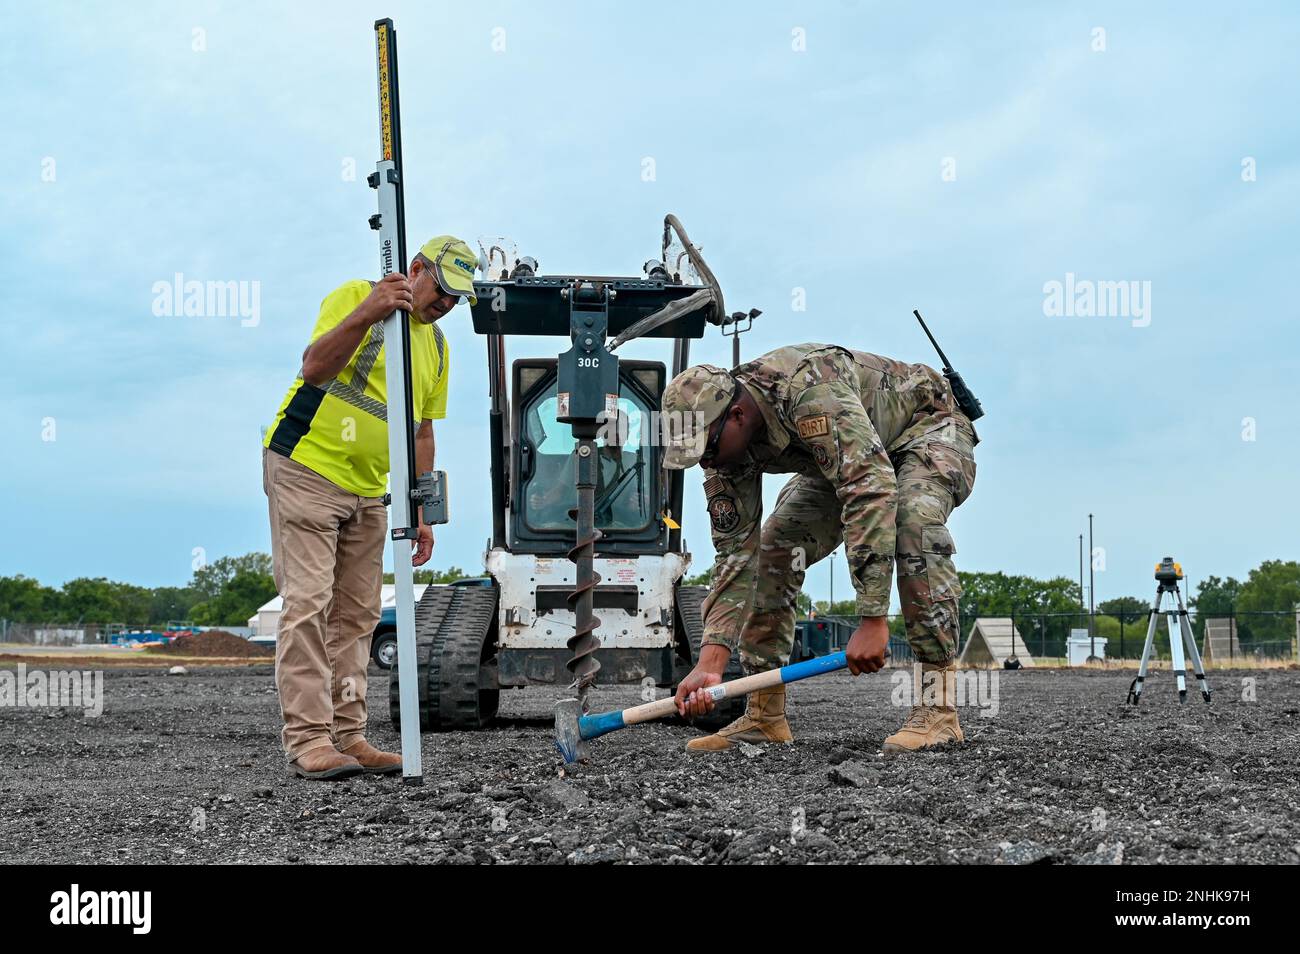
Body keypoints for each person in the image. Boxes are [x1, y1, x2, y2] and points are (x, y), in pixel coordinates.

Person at [662, 343, 977, 753]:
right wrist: (712, 659)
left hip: (926, 431)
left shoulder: (808, 387)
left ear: (737, 416)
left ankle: (939, 712)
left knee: (912, 525)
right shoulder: (726, 447)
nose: (706, 462)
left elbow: (870, 488)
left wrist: (872, 619)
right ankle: (764, 715)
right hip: (845, 458)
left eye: (708, 449)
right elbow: (736, 552)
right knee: (776, 546)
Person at [262, 236, 477, 779]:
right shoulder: (357, 296)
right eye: (444, 290)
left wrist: (423, 509)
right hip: (307, 466)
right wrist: (369, 312)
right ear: (416, 269)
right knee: (308, 604)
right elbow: (314, 367)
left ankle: (349, 736)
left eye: (459, 298)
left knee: (357, 616)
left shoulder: (440, 348)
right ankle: (310, 740)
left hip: (369, 488)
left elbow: (422, 432)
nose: (447, 304)